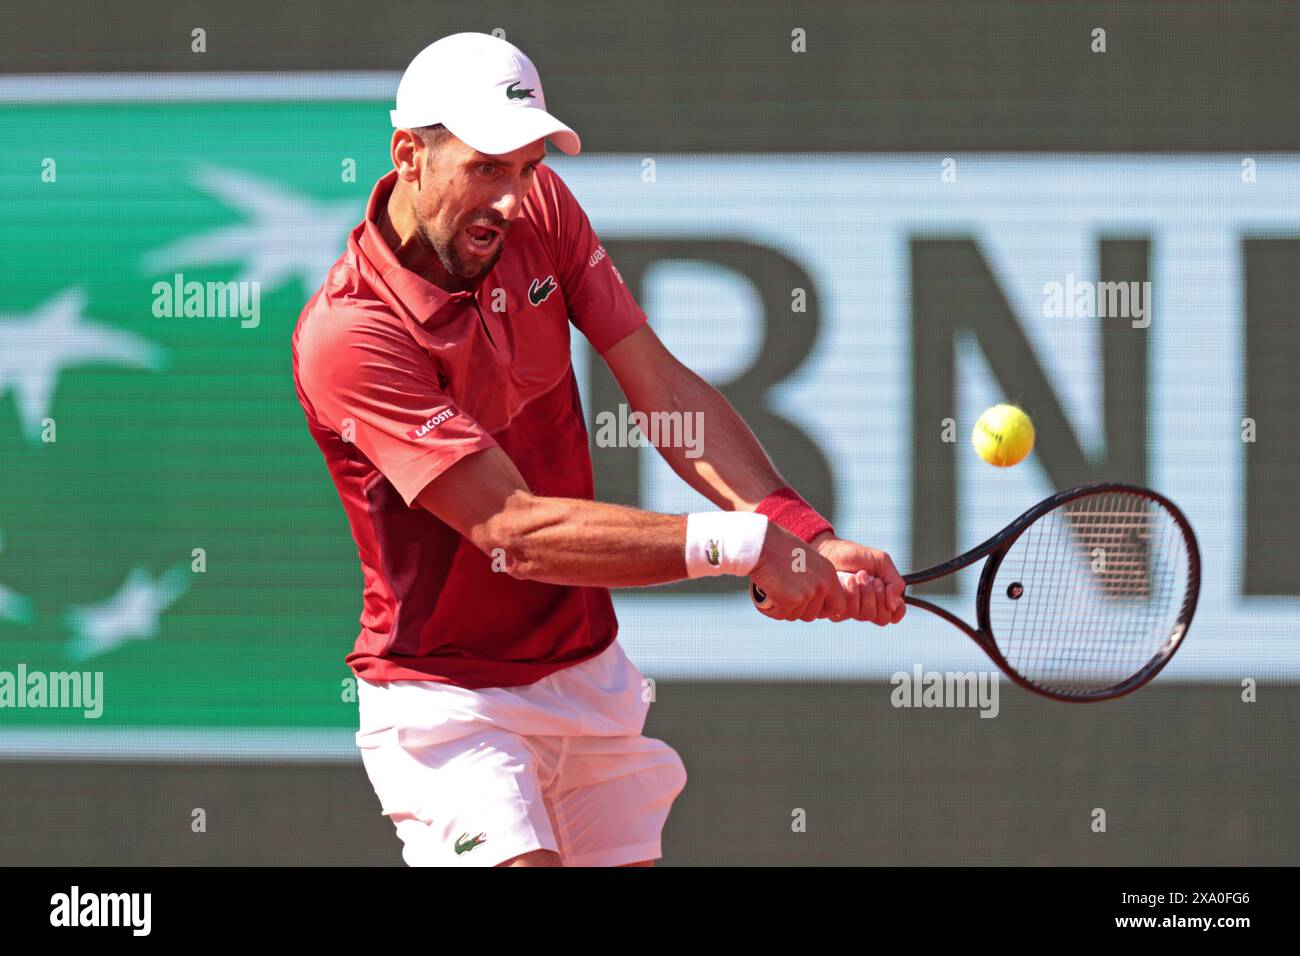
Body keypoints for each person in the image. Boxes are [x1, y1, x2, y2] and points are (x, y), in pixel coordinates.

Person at [291, 32, 905, 867]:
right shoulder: (351, 334)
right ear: (409, 155)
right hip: (449, 703)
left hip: (588, 674)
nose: (512, 198)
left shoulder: (541, 213)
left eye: (527, 166)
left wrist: (804, 530)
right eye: (486, 167)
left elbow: (664, 389)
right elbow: (514, 532)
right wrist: (746, 546)